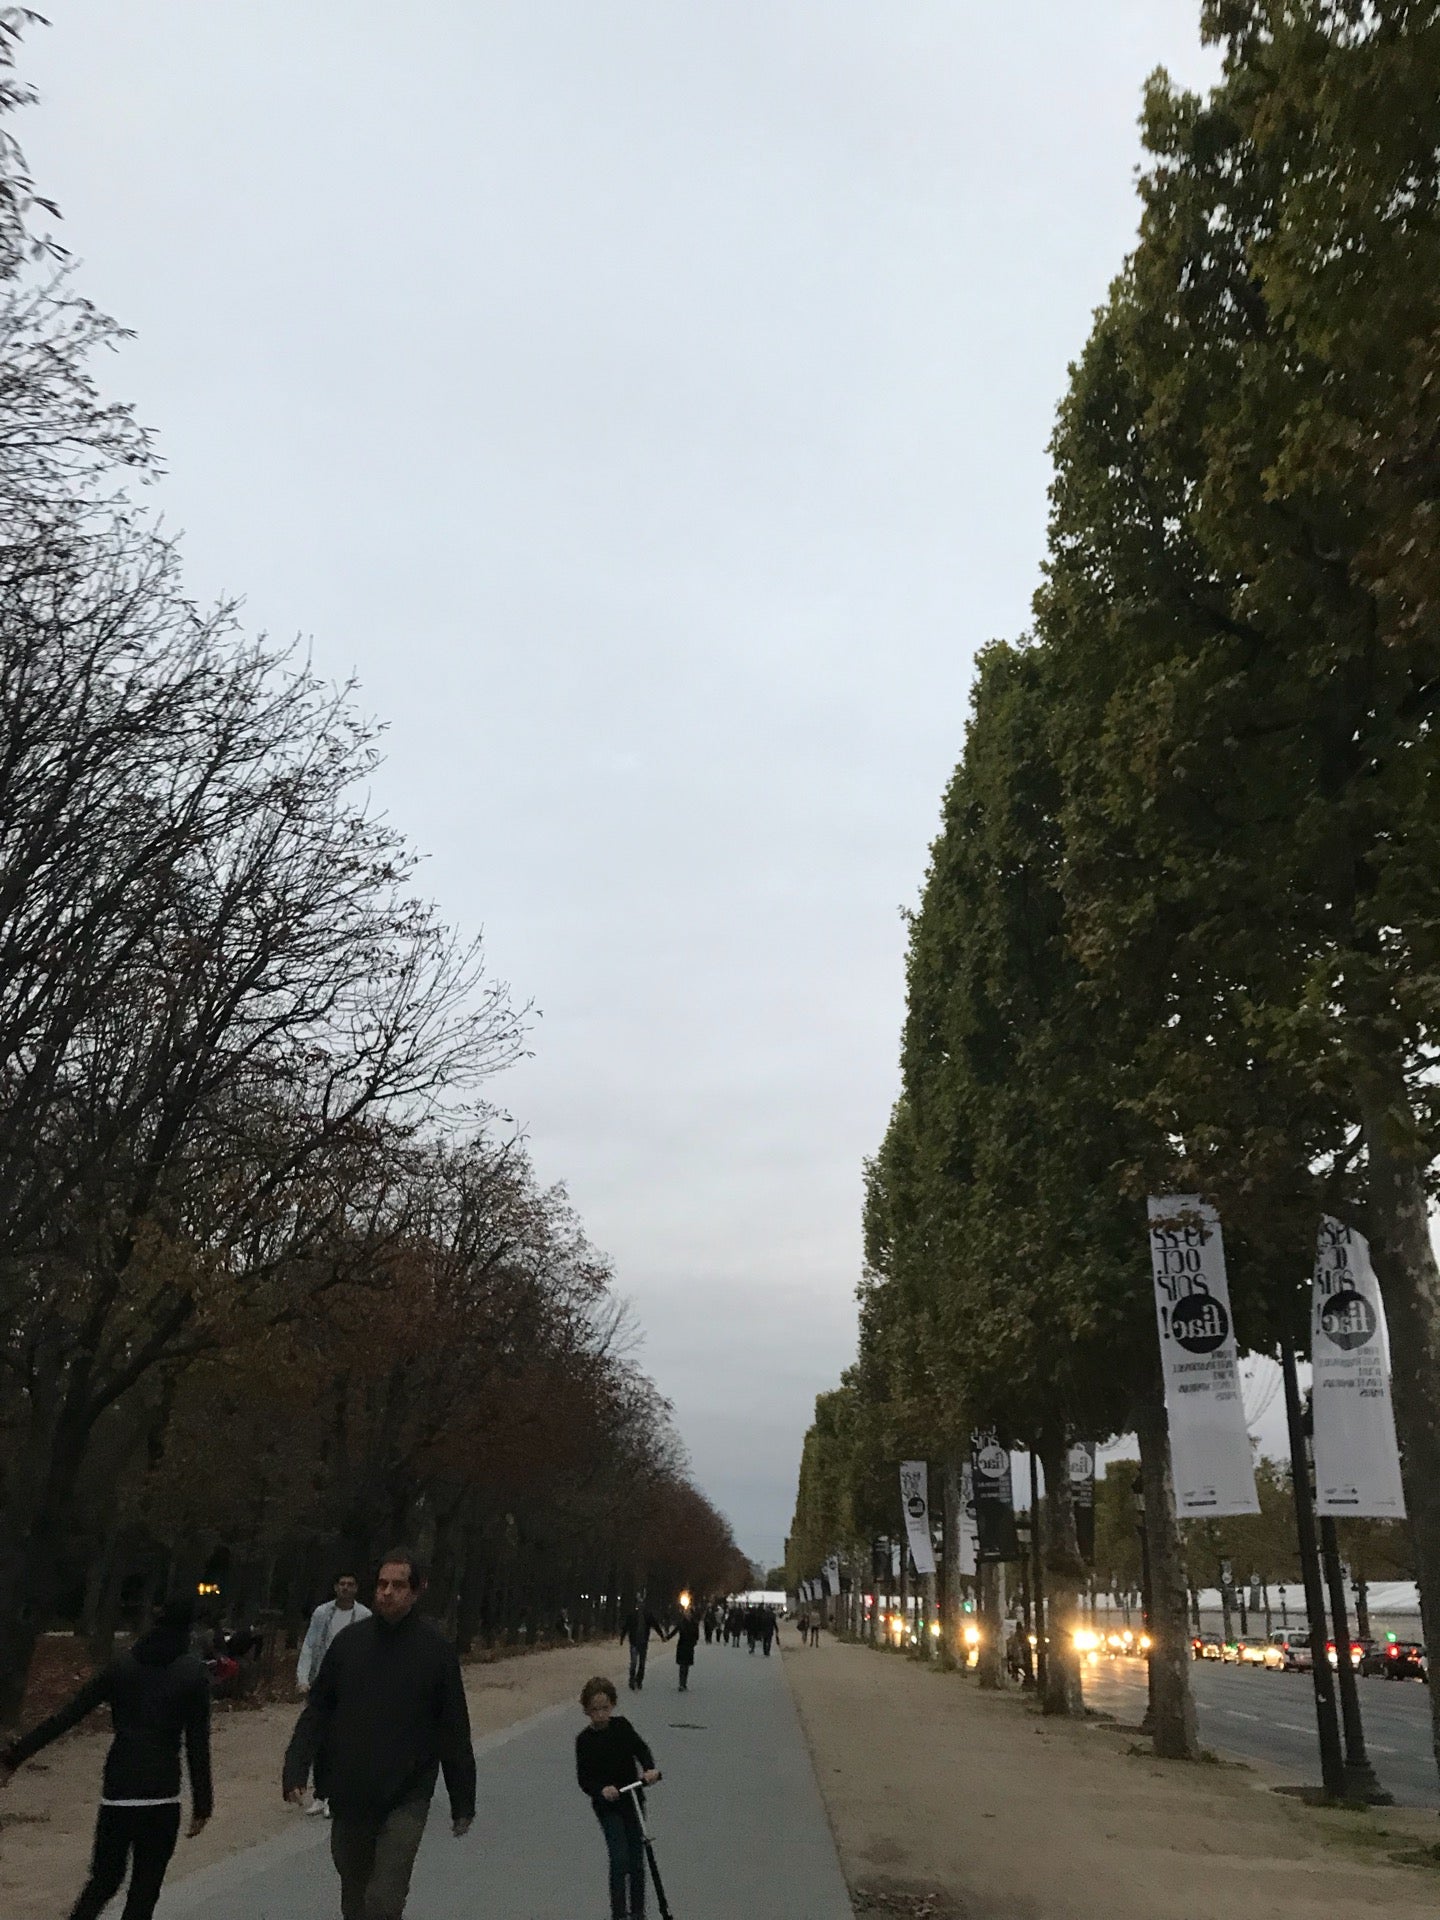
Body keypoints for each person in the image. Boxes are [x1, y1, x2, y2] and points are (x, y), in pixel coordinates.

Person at [283, 1551, 475, 1920]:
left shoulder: (436, 1652)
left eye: (398, 1585)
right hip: (351, 1788)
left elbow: (453, 1728)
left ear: (417, 1591)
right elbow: (318, 1711)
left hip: (408, 1791)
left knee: (385, 1899)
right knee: (355, 1894)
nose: (387, 1593)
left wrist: (462, 1798)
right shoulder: (349, 1645)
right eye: (382, 1584)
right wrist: (296, 1766)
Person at [0, 1597, 212, 1920]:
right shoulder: (193, 1673)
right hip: (162, 1794)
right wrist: (203, 1803)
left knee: (104, 1880)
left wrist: (14, 1758)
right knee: (144, 1890)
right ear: (189, 1627)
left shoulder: (122, 1667)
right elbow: (198, 1742)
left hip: (119, 1789)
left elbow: (67, 1715)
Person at [575, 1675, 660, 1920]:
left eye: (605, 1708)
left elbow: (640, 1749)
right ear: (587, 1711)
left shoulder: (622, 1726)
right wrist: (601, 1790)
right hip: (608, 1806)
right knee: (619, 1858)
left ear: (612, 1706)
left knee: (636, 1860)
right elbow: (585, 1779)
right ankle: (619, 1913)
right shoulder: (584, 1741)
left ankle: (638, 1913)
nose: (600, 1714)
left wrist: (648, 1769)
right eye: (594, 1710)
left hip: (632, 1799)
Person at [296, 1571, 371, 1815]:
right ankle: (320, 1793)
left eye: (351, 1584)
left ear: (356, 1589)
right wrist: (303, 1678)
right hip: (322, 1681)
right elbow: (310, 1644)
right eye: (342, 1584)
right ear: (335, 1587)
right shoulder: (322, 1613)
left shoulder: (363, 1616)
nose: (346, 1589)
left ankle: (336, 1793)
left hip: (350, 1685)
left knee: (342, 1740)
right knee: (320, 1740)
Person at [618, 1593, 668, 1691]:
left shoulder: (647, 1615)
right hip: (635, 1641)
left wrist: (661, 1635)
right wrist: (622, 1638)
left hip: (642, 1642)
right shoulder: (633, 1615)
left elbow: (655, 1625)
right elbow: (626, 1627)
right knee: (635, 1662)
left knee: (640, 1663)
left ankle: (638, 1680)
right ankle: (633, 1680)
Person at [674, 1607, 700, 1690]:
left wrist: (694, 1642)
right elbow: (675, 1631)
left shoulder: (694, 1624)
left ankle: (684, 1682)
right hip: (682, 1645)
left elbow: (696, 1635)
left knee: (686, 1666)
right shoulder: (681, 1623)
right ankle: (681, 1683)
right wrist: (666, 1638)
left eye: (689, 1613)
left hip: (689, 1646)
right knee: (682, 1665)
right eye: (686, 1613)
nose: (687, 1614)